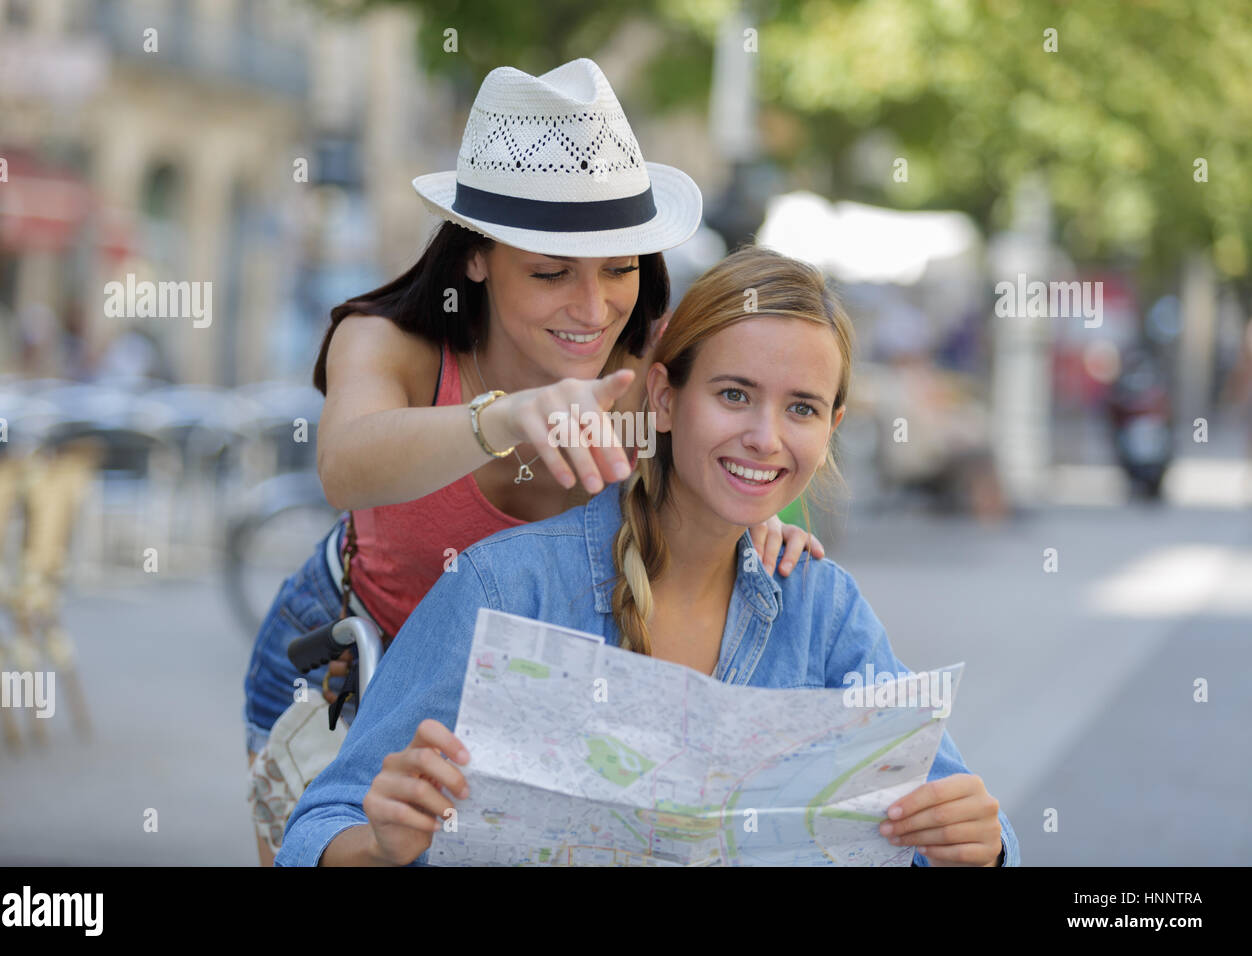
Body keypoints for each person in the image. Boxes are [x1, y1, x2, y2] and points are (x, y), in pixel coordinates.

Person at [244, 59, 823, 862]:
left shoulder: (647, 367)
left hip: (532, 696)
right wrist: (504, 418)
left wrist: (773, 528)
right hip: (350, 662)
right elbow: (344, 465)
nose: (592, 309)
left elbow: (753, 441)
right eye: (551, 273)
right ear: (475, 256)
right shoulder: (391, 343)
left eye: (619, 268)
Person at [276, 245, 1020, 868]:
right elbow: (316, 826)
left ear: (833, 427)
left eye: (802, 408)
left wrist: (980, 846)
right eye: (734, 395)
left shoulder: (823, 610)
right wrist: (380, 844)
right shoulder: (507, 587)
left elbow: (959, 825)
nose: (766, 437)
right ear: (663, 399)